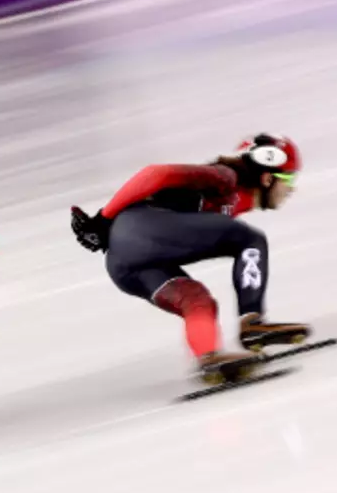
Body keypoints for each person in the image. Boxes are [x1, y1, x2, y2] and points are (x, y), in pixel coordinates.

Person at [70, 134, 310, 384]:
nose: (292, 189)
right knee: (251, 240)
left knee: (198, 300)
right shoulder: (226, 178)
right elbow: (155, 173)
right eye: (289, 178)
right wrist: (102, 219)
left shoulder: (235, 201)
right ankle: (253, 322)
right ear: (267, 177)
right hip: (142, 227)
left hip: (123, 263)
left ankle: (209, 359)